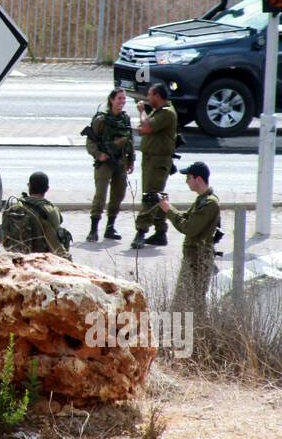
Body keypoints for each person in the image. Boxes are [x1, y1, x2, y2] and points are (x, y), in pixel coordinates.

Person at [157, 162, 221, 322]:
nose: (187, 181)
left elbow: (190, 228)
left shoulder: (210, 203)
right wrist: (168, 206)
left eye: (189, 177)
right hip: (193, 258)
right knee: (186, 303)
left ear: (198, 179)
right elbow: (186, 217)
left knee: (193, 303)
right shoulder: (202, 200)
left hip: (199, 260)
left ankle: (197, 338)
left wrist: (168, 210)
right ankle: (185, 337)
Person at [131, 82, 178, 249]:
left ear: (158, 96)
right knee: (156, 196)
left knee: (150, 196)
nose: (147, 98)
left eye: (150, 95)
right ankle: (160, 232)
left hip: (158, 161)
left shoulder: (166, 113)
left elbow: (146, 127)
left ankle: (141, 232)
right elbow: (144, 129)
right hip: (152, 160)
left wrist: (142, 111)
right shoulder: (159, 112)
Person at [85, 89, 135, 242]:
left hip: (120, 161)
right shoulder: (101, 120)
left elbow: (129, 140)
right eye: (119, 98)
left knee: (118, 195)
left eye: (124, 99)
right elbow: (90, 141)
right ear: (112, 100)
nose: (122, 101)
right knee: (100, 195)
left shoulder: (125, 119)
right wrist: (99, 154)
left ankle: (110, 227)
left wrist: (131, 159)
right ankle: (93, 229)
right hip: (105, 162)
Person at [2, 171, 71, 259]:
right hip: (41, 259)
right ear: (47, 188)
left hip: (16, 258)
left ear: (28, 185)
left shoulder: (14, 209)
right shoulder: (52, 211)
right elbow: (55, 240)